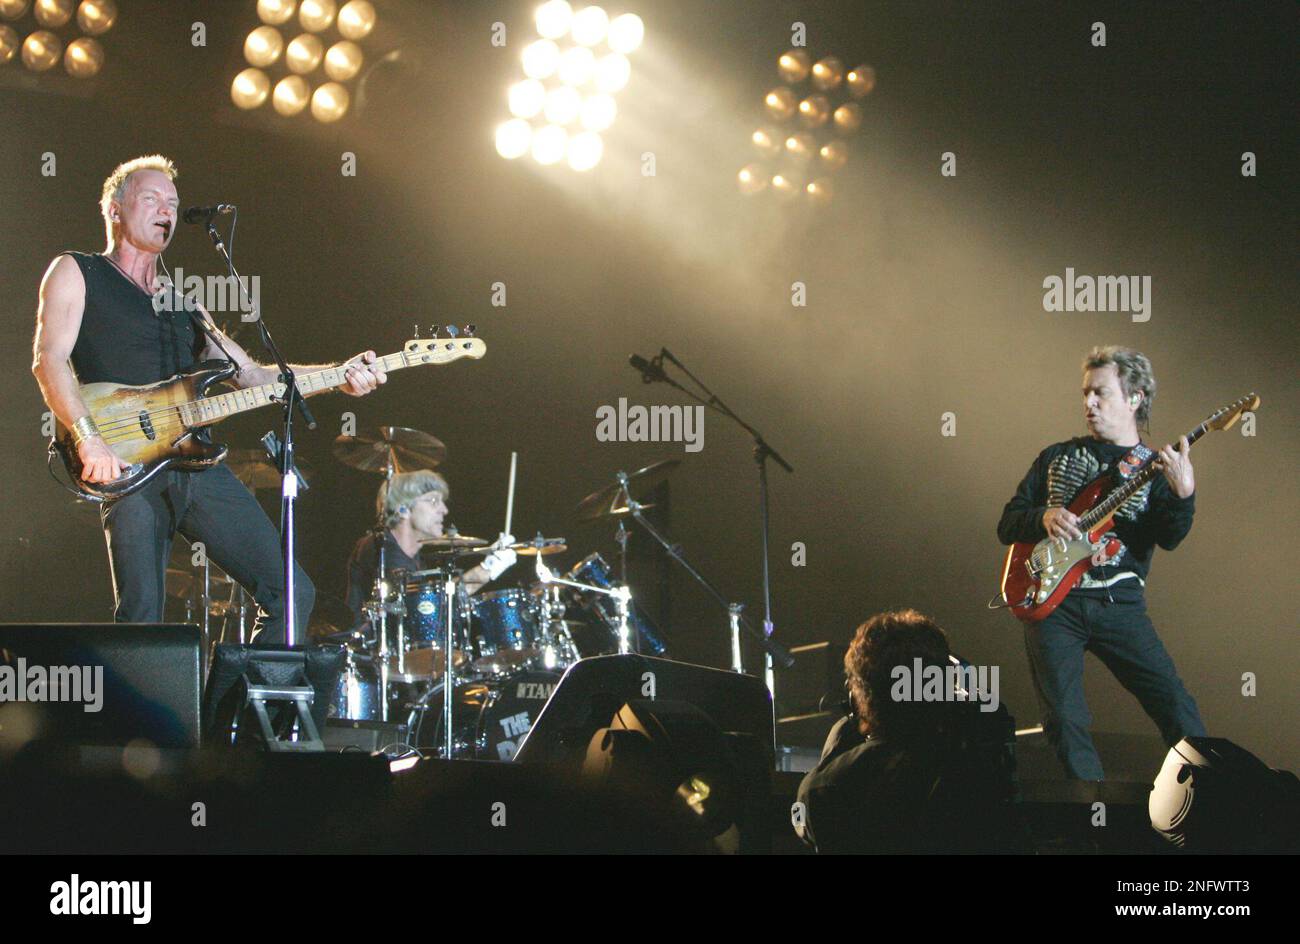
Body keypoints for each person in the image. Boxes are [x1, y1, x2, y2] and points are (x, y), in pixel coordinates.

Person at [31, 155, 386, 643]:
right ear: (115, 208)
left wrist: (339, 375)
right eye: (152, 199)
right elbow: (48, 360)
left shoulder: (185, 304)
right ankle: (136, 721)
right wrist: (88, 437)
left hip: (197, 464)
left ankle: (223, 720)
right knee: (141, 618)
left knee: (293, 594)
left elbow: (256, 375)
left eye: (173, 204)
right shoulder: (77, 271)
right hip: (126, 462)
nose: (166, 211)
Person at [997, 346, 1206, 780]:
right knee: (1065, 720)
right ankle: (1089, 824)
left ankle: (1217, 798)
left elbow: (1170, 538)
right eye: (1086, 393)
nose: (1089, 403)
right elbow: (1007, 523)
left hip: (1119, 603)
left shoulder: (1156, 467)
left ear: (1135, 398)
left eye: (1101, 393)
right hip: (1054, 605)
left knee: (1174, 704)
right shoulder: (1055, 457)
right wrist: (1044, 516)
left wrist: (1184, 497)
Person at [795, 609, 1020, 853]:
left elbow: (805, 822)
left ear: (857, 697)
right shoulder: (977, 772)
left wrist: (838, 744)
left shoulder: (823, 790)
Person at [344, 469, 516, 627]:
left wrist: (489, 563)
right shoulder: (379, 547)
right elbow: (419, 604)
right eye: (434, 501)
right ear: (403, 509)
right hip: (366, 656)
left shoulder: (416, 560)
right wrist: (488, 569)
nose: (444, 510)